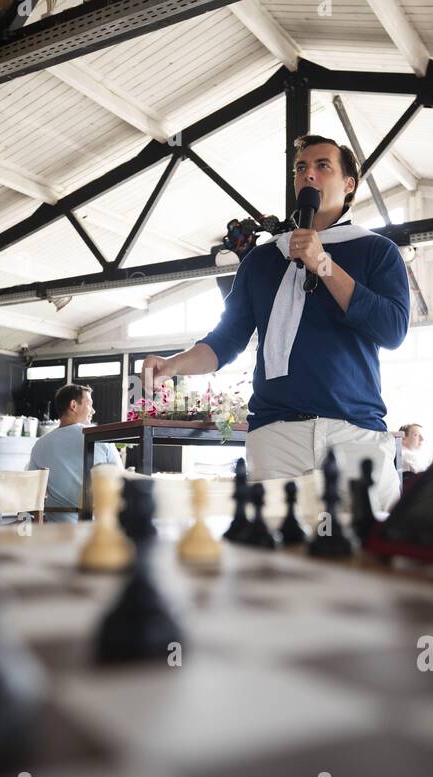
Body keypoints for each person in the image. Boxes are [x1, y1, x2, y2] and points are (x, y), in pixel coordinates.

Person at [141, 134, 410, 509]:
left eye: (322, 166)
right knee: (276, 559)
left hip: (354, 433)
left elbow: (393, 330)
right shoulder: (264, 260)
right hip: (276, 437)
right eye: (301, 168)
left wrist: (324, 265)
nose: (308, 175)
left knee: (364, 557)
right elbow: (226, 340)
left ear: (349, 185)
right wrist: (172, 365)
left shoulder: (377, 251)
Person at [27, 383, 120, 522]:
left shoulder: (39, 445)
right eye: (89, 404)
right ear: (73, 406)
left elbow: (32, 493)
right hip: (98, 529)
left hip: (57, 530)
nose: (93, 411)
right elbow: (121, 481)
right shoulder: (101, 438)